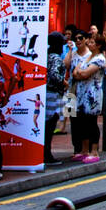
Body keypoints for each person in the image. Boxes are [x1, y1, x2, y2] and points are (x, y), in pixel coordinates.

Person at [67, 36, 106, 162]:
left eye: (92, 42)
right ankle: (84, 150)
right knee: (82, 122)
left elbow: (83, 73)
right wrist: (79, 72)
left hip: (92, 96)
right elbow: (75, 72)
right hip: (81, 94)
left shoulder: (100, 59)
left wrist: (79, 72)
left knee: (91, 123)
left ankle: (94, 151)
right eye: (89, 41)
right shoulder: (88, 57)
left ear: (99, 45)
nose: (89, 43)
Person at [43, 31, 67, 165]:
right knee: (50, 124)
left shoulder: (46, 55)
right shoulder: (56, 58)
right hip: (53, 93)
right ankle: (47, 154)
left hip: (45, 93)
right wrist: (63, 82)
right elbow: (54, 74)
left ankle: (45, 153)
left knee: (47, 125)